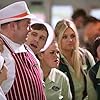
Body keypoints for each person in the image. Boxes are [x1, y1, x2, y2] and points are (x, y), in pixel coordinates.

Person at [0, 1, 46, 100]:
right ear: (13, 26)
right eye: (27, 24)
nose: (30, 29)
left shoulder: (26, 48)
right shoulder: (2, 52)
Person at [54, 19, 96, 100]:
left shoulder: (85, 56)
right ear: (57, 38)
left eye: (73, 36)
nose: (70, 40)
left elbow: (95, 82)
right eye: (64, 37)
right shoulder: (54, 59)